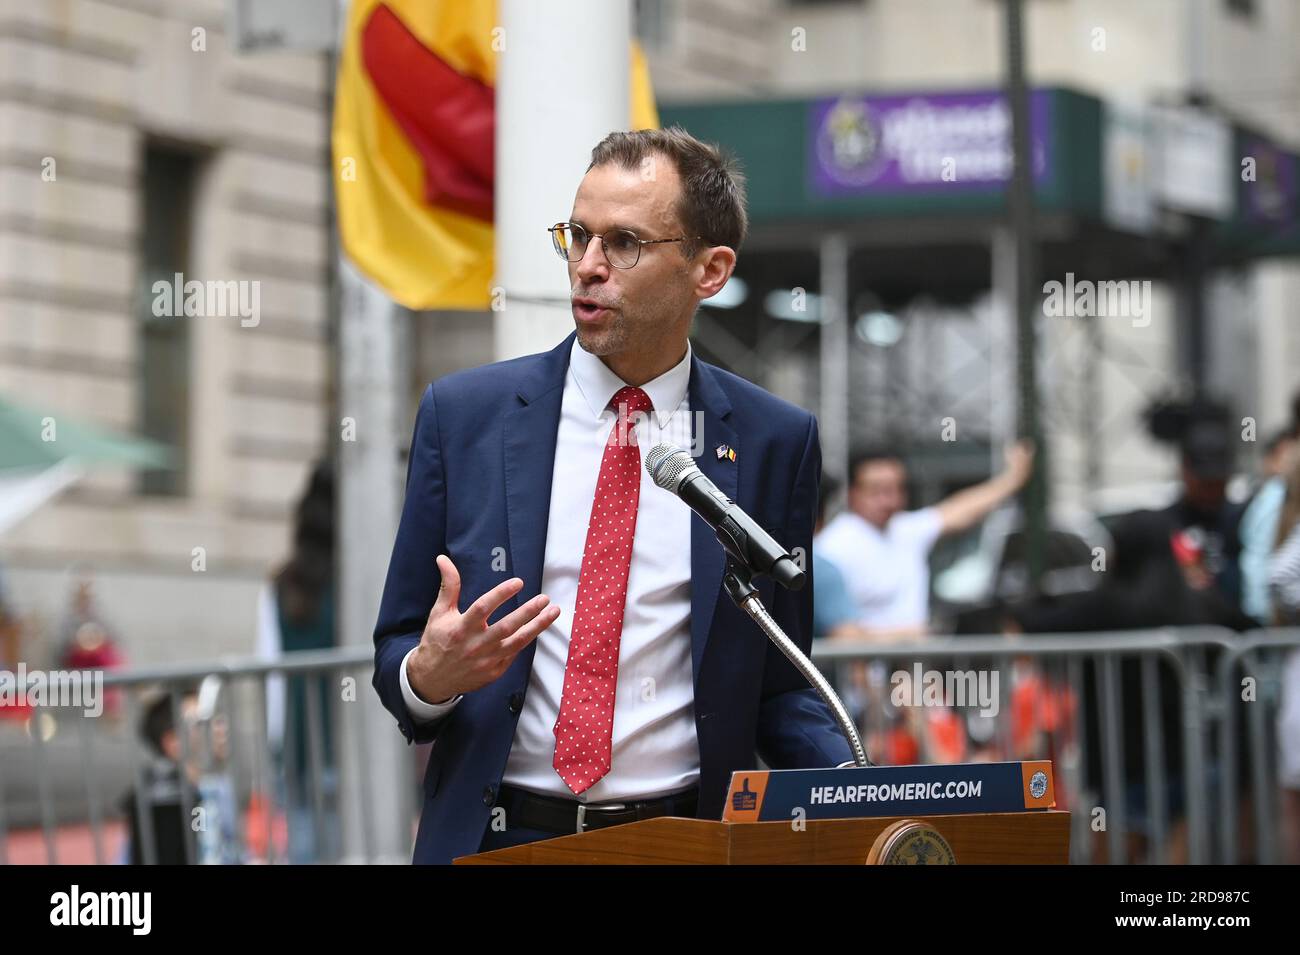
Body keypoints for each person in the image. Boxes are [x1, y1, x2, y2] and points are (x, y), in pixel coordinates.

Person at [373, 127, 854, 865]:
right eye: (578, 236)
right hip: (498, 837)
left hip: (679, 842)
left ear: (710, 269)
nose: (588, 267)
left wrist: (867, 791)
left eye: (624, 242)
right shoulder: (465, 416)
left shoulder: (771, 441)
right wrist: (428, 678)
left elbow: (781, 687)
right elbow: (399, 648)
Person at [815, 441, 1034, 638]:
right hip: (867, 677)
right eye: (877, 490)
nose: (887, 500)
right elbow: (842, 635)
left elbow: (958, 511)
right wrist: (907, 637)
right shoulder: (831, 548)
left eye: (895, 489)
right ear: (853, 492)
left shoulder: (905, 529)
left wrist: (1012, 479)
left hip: (911, 673)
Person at [254, 461, 339, 863]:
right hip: (345, 744)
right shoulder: (358, 581)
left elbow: (269, 668)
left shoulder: (282, 583)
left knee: (304, 846)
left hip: (296, 743)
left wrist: (277, 744)